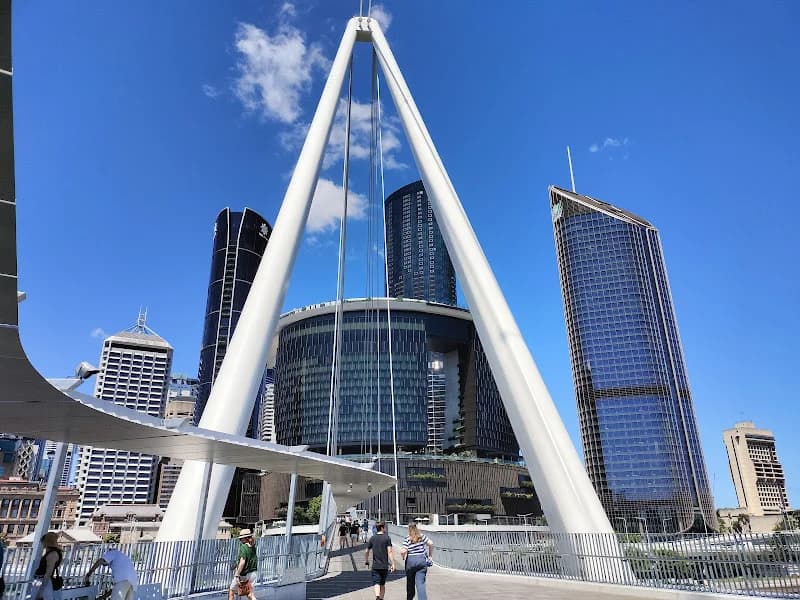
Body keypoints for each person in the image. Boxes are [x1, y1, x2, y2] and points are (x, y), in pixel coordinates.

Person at [399, 523, 433, 600]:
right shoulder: (421, 536)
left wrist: (403, 557)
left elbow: (403, 551)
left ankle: (410, 598)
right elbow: (431, 543)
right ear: (416, 528)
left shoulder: (408, 538)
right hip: (421, 561)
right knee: (420, 584)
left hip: (411, 562)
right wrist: (430, 556)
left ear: (409, 529)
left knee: (410, 583)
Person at [365, 521, 395, 600]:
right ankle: (381, 598)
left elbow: (366, 551)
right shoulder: (387, 538)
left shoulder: (372, 538)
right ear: (382, 528)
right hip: (384, 566)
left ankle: (377, 597)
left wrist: (367, 560)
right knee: (382, 584)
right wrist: (393, 564)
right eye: (384, 527)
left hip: (375, 566)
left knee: (376, 583)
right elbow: (390, 552)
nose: (385, 529)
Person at [228, 529, 258, 600]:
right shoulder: (253, 547)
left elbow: (243, 562)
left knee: (231, 591)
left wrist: (237, 574)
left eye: (241, 538)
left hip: (244, 574)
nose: (240, 540)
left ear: (245, 538)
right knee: (250, 594)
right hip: (253, 573)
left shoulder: (243, 547)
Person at [34, 532, 62, 600]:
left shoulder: (53, 554)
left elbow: (48, 573)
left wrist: (40, 591)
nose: (42, 544)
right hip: (42, 581)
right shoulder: (53, 552)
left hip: (44, 582)